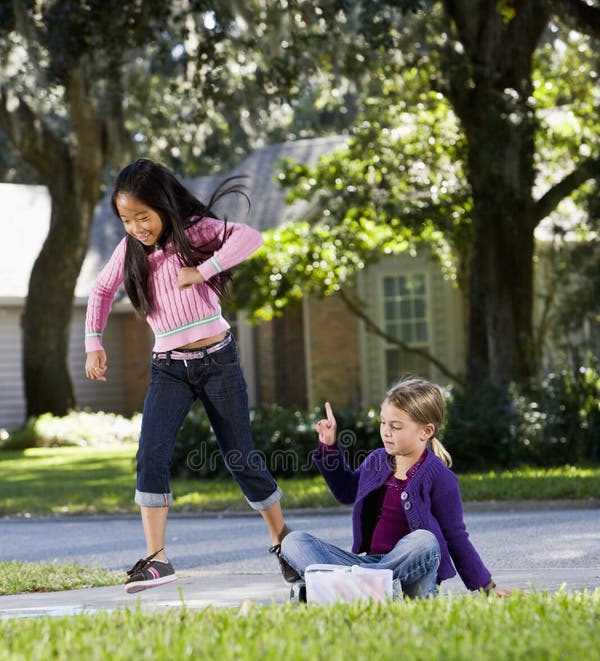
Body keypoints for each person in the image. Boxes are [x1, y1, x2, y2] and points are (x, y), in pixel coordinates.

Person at [85, 158, 296, 592]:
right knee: (151, 455)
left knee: (240, 457)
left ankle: (282, 540)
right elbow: (102, 289)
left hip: (218, 361)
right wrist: (94, 340)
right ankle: (157, 558)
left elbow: (249, 238)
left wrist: (203, 270)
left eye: (143, 216)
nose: (136, 227)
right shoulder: (129, 252)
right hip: (169, 369)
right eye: (126, 219)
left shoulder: (194, 230)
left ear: (163, 205)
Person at [280, 378, 510, 600]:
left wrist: (486, 586)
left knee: (424, 541)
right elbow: (346, 491)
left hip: (413, 576)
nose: (386, 431)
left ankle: (342, 589)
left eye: (396, 426)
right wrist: (329, 447)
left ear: (426, 431)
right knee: (293, 541)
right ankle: (367, 589)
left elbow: (457, 538)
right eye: (383, 422)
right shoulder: (376, 461)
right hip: (369, 565)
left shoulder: (440, 477)